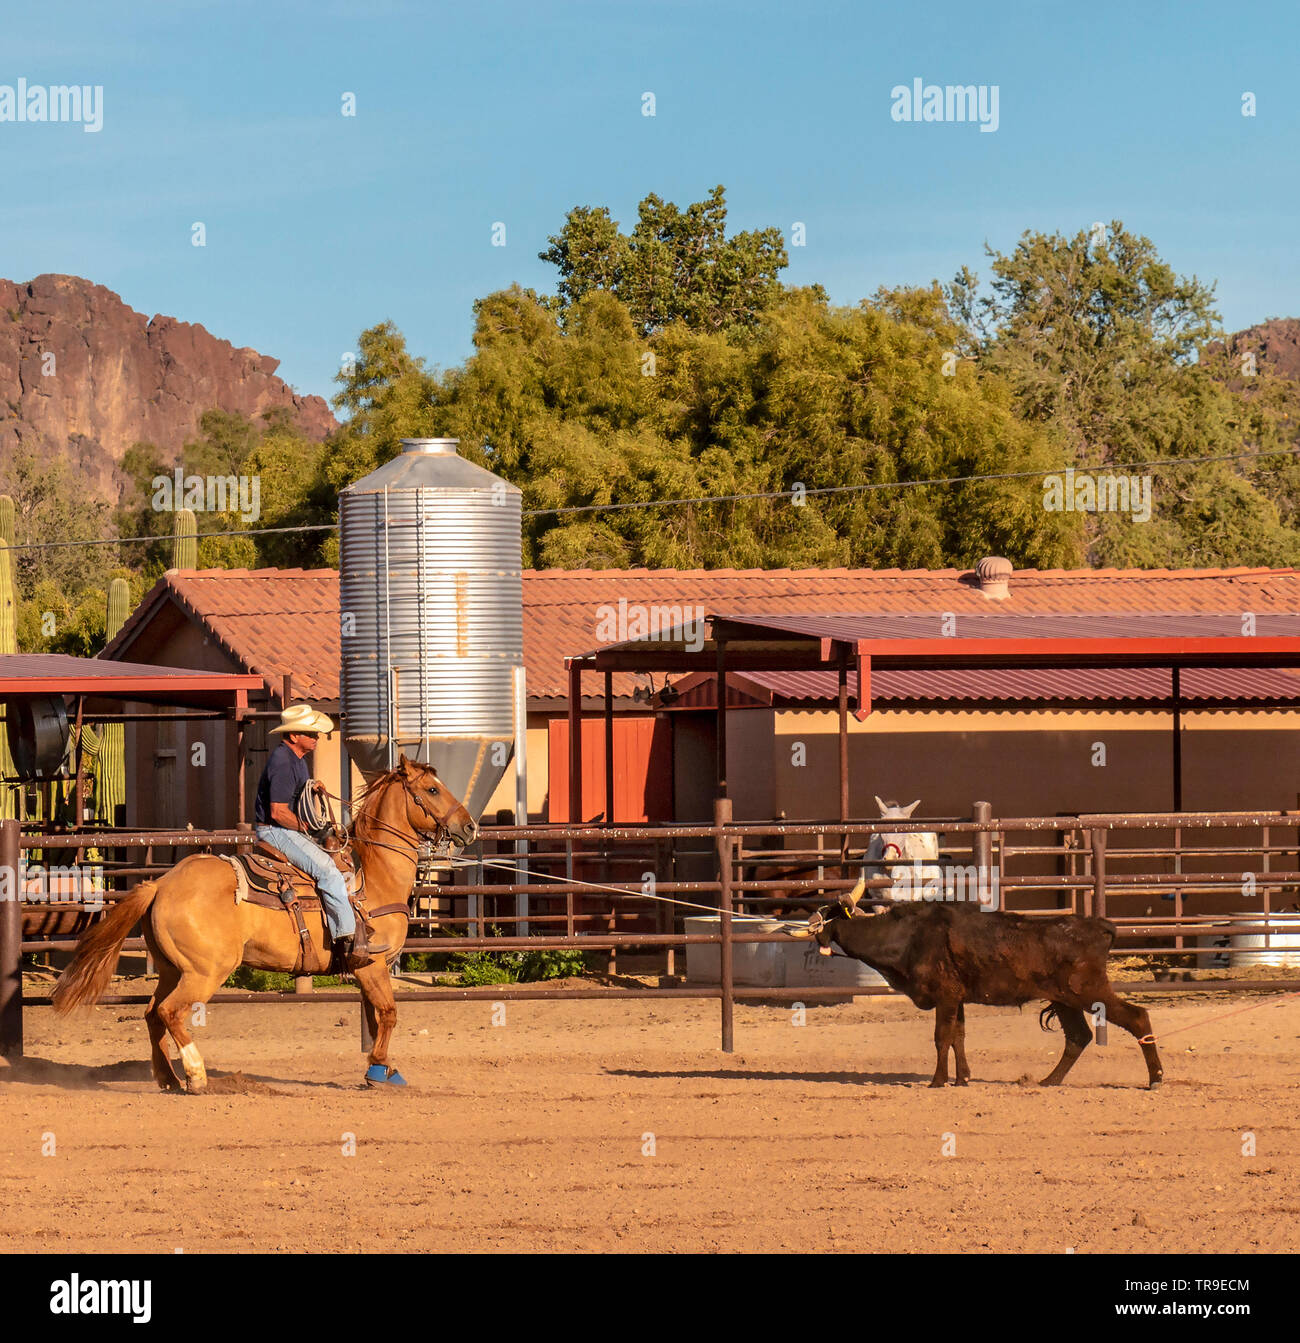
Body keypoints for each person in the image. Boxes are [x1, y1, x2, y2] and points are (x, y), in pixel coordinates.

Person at [253, 702, 385, 971]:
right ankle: (348, 939)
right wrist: (307, 828)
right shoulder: (282, 761)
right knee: (327, 870)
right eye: (310, 733)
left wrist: (313, 787)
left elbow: (296, 795)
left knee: (341, 861)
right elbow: (278, 812)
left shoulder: (298, 760)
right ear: (293, 736)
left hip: (286, 828)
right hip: (275, 830)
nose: (316, 738)